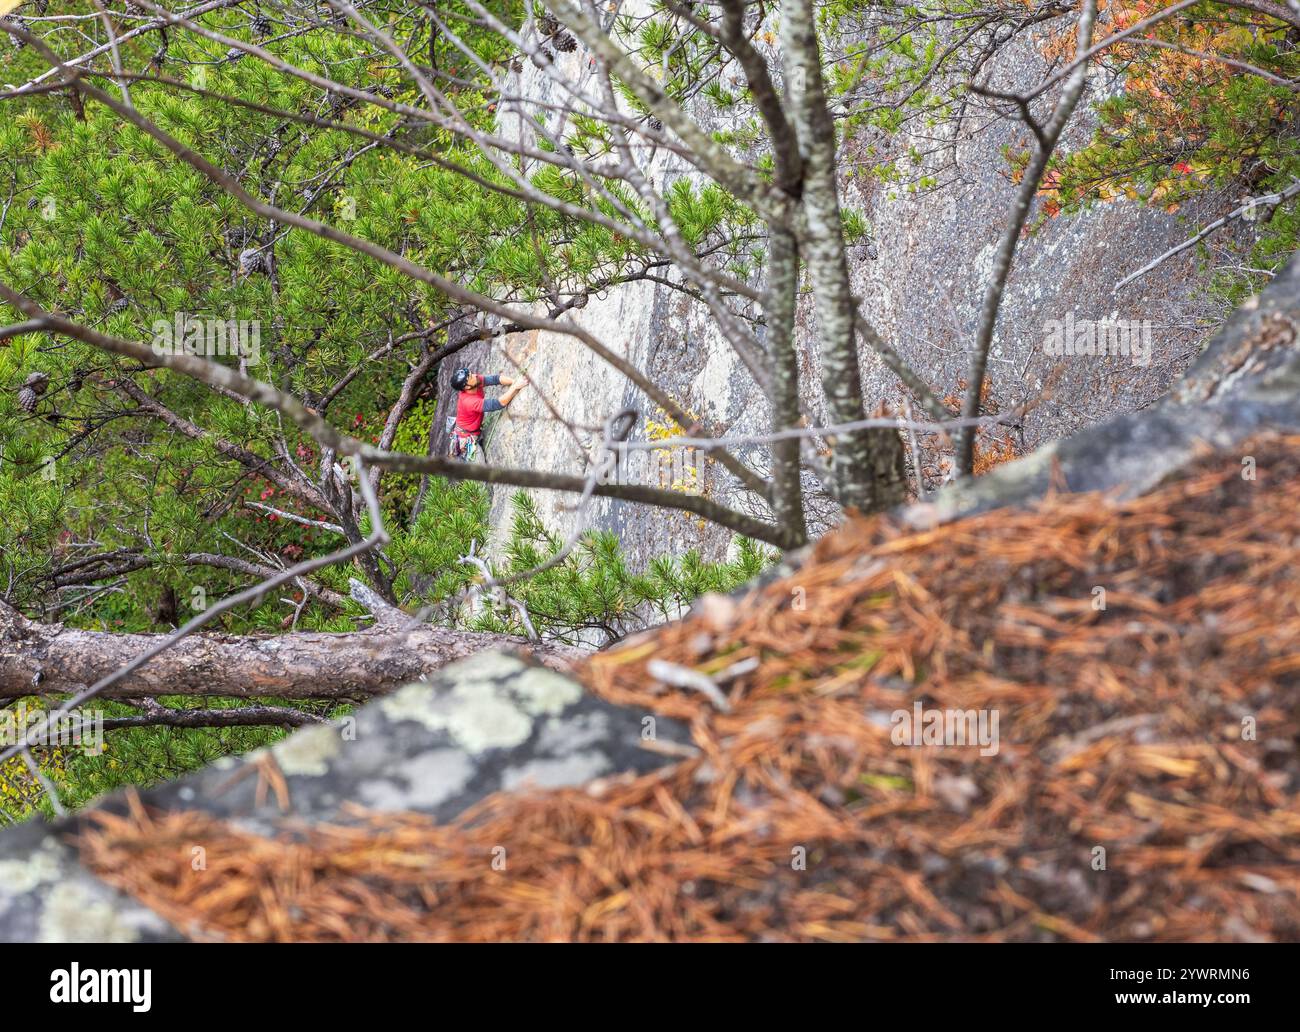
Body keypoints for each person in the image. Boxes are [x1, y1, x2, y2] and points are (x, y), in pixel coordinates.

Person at [448, 367, 527, 461]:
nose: (474, 375)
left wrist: (514, 382)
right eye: (471, 377)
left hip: (468, 431)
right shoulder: (469, 401)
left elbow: (495, 379)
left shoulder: (475, 382)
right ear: (467, 387)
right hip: (465, 438)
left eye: (471, 373)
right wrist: (515, 387)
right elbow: (498, 404)